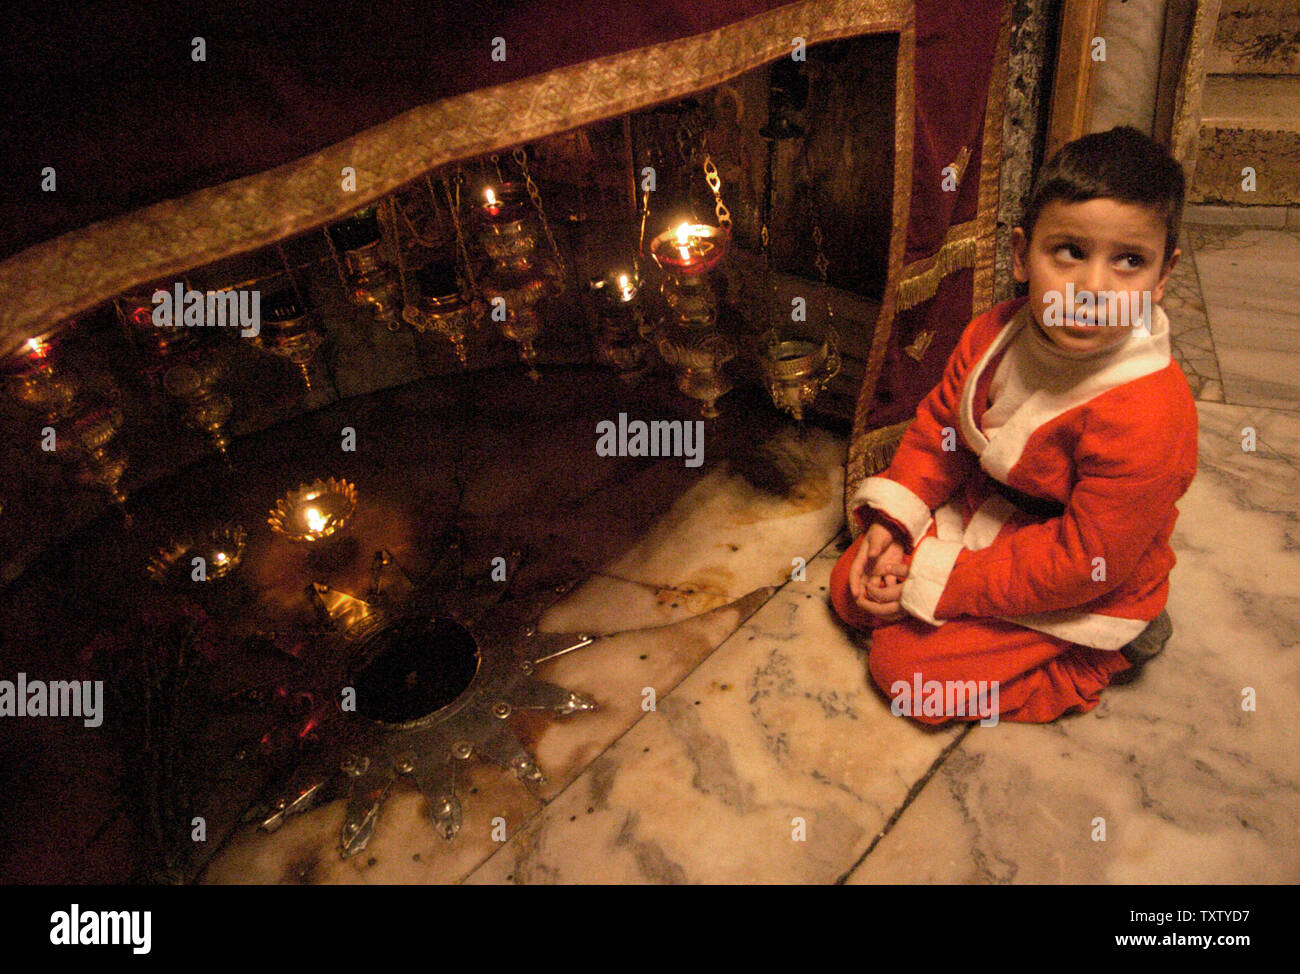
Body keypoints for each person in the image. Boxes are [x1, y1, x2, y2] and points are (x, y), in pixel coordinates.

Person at [830, 125, 1198, 724]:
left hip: (1082, 570)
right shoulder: (993, 331)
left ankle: (1104, 649)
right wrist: (898, 522)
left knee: (907, 679)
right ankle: (955, 615)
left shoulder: (1149, 412)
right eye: (1070, 252)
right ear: (1022, 254)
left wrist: (939, 579)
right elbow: (940, 437)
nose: (1093, 289)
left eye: (1129, 262)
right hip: (992, 517)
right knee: (852, 588)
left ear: (1162, 275)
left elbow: (1081, 560)